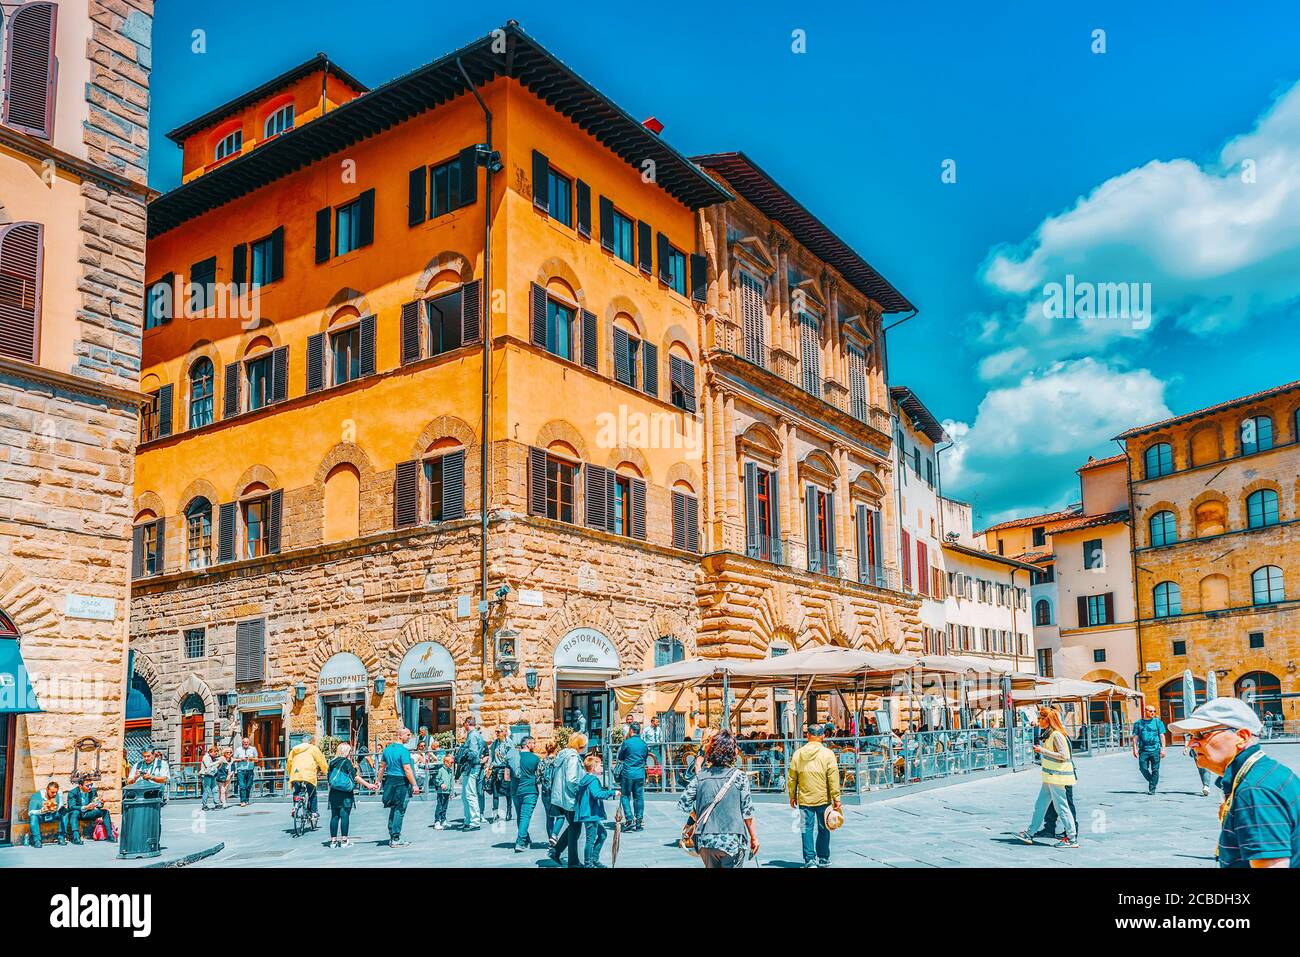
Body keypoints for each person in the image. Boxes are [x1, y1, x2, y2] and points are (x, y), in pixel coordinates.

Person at [1172, 697, 1300, 868]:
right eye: (1191, 735)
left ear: (1241, 737)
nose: (1192, 743)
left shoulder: (1254, 791)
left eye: (1202, 734)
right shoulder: (1268, 772)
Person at [678, 730, 759, 868]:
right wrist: (753, 838)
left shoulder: (700, 777)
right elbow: (747, 812)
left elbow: (684, 803)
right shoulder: (739, 777)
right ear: (732, 753)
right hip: (732, 839)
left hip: (706, 840)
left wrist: (697, 818)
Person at [1017, 707, 1079, 849]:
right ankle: (1030, 833)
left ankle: (1071, 838)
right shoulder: (1049, 734)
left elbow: (1064, 756)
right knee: (1040, 806)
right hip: (1050, 777)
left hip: (1058, 778)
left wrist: (1042, 750)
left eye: (1040, 719)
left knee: (1062, 808)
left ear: (1047, 720)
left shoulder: (1057, 735)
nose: (1038, 721)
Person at [788, 722, 842, 868]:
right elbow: (833, 777)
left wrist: (792, 795)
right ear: (823, 736)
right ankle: (823, 858)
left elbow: (792, 777)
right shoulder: (828, 753)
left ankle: (809, 860)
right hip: (823, 798)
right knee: (824, 828)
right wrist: (836, 798)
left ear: (807, 735)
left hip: (805, 799)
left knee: (806, 829)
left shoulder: (798, 754)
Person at [326, 741, 378, 848]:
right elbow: (355, 777)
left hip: (334, 792)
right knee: (344, 815)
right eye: (349, 751)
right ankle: (344, 841)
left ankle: (333, 841)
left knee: (334, 816)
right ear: (346, 752)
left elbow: (329, 777)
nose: (350, 753)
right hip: (345, 792)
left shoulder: (332, 762)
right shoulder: (346, 762)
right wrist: (368, 785)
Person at [573, 752, 619, 868]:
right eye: (599, 765)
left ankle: (594, 860)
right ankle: (588, 864)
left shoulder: (586, 778)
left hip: (589, 813)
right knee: (590, 839)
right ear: (593, 768)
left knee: (602, 834)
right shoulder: (592, 780)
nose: (601, 767)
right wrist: (612, 792)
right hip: (590, 814)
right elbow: (597, 794)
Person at [377, 727, 422, 847]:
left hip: (390, 780)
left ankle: (392, 834)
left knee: (393, 807)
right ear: (400, 736)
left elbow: (382, 767)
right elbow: (407, 769)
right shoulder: (404, 751)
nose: (409, 737)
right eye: (407, 735)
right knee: (400, 809)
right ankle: (396, 838)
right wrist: (414, 785)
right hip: (401, 781)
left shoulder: (387, 750)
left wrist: (378, 781)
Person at [547, 732, 587, 867]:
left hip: (561, 796)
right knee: (575, 826)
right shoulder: (573, 757)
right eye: (584, 746)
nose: (585, 748)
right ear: (579, 745)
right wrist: (578, 793)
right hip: (570, 798)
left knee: (574, 826)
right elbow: (571, 779)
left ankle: (557, 852)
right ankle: (572, 861)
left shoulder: (563, 754)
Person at [287, 734, 329, 827]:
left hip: (296, 774)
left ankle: (295, 807)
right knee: (312, 794)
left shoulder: (294, 749)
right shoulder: (313, 748)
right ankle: (313, 813)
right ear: (311, 741)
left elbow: (289, 763)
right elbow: (321, 761)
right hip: (308, 775)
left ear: (302, 741)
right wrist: (327, 772)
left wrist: (291, 775)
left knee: (297, 791)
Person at [509, 735, 542, 851]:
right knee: (525, 816)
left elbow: (508, 775)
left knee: (521, 816)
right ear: (527, 744)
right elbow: (539, 775)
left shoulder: (513, 757)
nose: (534, 745)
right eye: (533, 743)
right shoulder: (535, 758)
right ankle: (520, 842)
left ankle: (525, 838)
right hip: (530, 791)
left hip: (515, 791)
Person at [617, 721, 649, 831]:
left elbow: (620, 757)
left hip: (628, 773)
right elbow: (645, 758)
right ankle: (639, 822)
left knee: (625, 795)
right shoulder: (644, 744)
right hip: (640, 774)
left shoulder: (627, 743)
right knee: (639, 797)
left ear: (631, 730)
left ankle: (629, 819)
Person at [66, 775, 116, 844]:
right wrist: (85, 807)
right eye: (87, 785)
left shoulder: (93, 791)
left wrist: (100, 803)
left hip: (89, 813)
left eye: (91, 785)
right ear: (80, 786)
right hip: (79, 813)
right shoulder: (73, 792)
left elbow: (97, 805)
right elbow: (71, 807)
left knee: (105, 812)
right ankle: (76, 837)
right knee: (75, 812)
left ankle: (110, 835)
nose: (90, 787)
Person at [456, 719, 487, 830]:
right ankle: (468, 820)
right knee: (465, 795)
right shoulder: (474, 735)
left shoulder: (473, 735)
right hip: (471, 767)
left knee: (470, 794)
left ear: (467, 724)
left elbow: (473, 753)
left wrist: (463, 752)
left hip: (471, 767)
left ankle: (474, 822)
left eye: (464, 724)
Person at [1131, 704, 1167, 795]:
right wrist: (1134, 749)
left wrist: (1163, 749)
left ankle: (1152, 788)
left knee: (1155, 770)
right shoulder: (1138, 723)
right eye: (1150, 711)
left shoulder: (1158, 722)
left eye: (1154, 711)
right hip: (1143, 750)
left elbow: (1162, 736)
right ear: (1145, 711)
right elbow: (1135, 737)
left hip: (1155, 749)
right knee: (1143, 768)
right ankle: (1153, 781)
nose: (1153, 713)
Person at [487, 726, 516, 822]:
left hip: (506, 769)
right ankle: (495, 814)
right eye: (496, 731)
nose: (497, 733)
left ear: (504, 732)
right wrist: (488, 767)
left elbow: (513, 757)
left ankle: (509, 812)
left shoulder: (509, 743)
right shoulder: (495, 743)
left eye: (499, 731)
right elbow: (491, 756)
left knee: (508, 792)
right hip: (496, 769)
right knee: (495, 793)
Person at [27, 781, 67, 847]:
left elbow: (61, 806)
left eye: (56, 792)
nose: (54, 794)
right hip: (41, 816)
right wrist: (41, 811)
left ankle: (62, 837)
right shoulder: (36, 796)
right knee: (33, 817)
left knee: (65, 812)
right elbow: (30, 812)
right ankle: (37, 840)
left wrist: (59, 808)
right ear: (47, 789)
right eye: (52, 792)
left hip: (53, 814)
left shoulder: (59, 793)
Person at [539, 740, 561, 842]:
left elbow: (538, 778)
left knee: (549, 817)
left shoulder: (542, 762)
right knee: (561, 815)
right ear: (556, 749)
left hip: (545, 792)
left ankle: (550, 838)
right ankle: (554, 835)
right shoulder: (559, 761)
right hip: (557, 792)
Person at [233, 736, 259, 806]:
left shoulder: (253, 749)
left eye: (247, 742)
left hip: (250, 770)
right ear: (242, 742)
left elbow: (257, 759)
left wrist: (251, 759)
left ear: (249, 742)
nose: (246, 743)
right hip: (240, 770)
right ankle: (243, 801)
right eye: (244, 742)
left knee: (248, 786)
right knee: (242, 786)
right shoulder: (238, 749)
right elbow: (234, 759)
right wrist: (241, 759)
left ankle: (247, 799)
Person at [432, 752, 455, 830]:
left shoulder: (450, 771)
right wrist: (441, 784)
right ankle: (437, 821)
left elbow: (451, 781)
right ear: (445, 762)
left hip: (447, 791)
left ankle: (443, 820)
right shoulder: (441, 770)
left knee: (445, 807)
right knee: (440, 806)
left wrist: (451, 792)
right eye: (450, 763)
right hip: (441, 791)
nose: (451, 764)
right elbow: (436, 779)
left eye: (452, 763)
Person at [200, 745, 222, 810]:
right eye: (215, 752)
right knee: (206, 790)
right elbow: (208, 765)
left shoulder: (214, 758)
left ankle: (217, 804)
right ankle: (204, 805)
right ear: (211, 751)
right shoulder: (205, 757)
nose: (216, 754)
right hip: (206, 775)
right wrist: (217, 762)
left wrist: (219, 764)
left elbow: (217, 767)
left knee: (215, 790)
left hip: (213, 775)